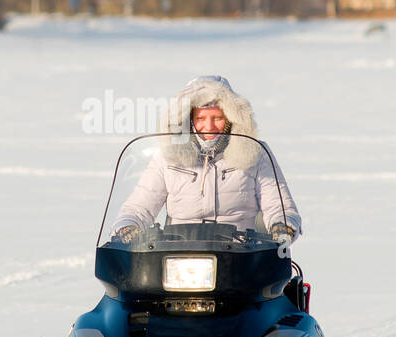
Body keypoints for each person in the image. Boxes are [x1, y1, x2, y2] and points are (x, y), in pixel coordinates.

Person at [111, 75, 301, 244]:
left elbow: (279, 206)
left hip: (242, 254)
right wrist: (128, 225)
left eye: (217, 117)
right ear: (188, 120)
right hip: (178, 252)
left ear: (230, 118)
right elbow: (139, 207)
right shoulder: (167, 157)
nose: (209, 126)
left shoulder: (255, 153)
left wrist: (282, 226)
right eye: (201, 118)